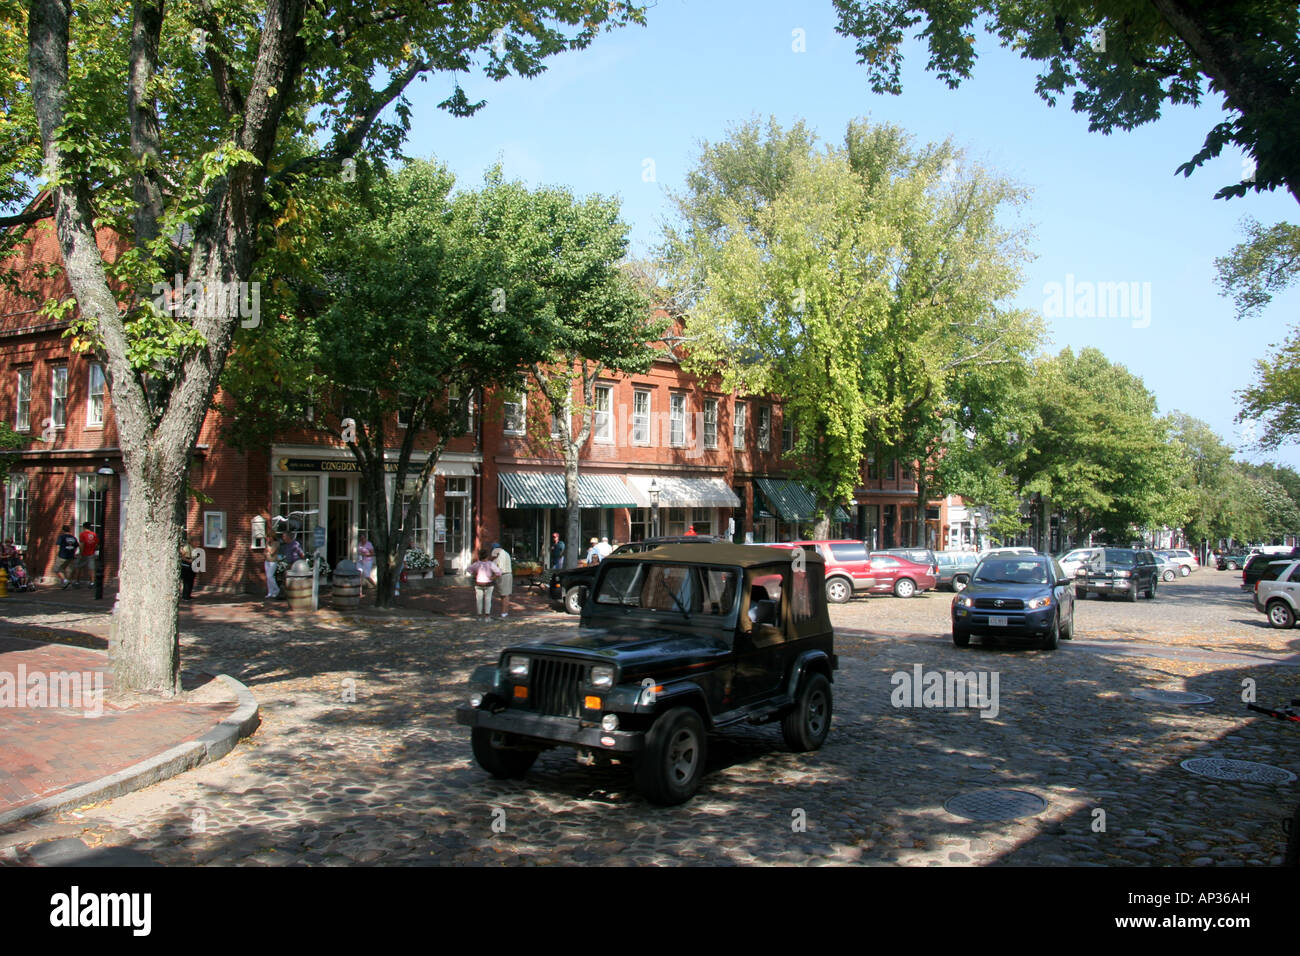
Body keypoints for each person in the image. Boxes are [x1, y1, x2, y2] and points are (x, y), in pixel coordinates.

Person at [467, 547, 501, 622]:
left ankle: (479, 616)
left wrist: (475, 574)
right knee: (488, 600)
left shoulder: (477, 564)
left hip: (479, 583)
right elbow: (498, 572)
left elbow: (469, 569)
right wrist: (493, 578)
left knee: (479, 600)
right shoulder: (490, 564)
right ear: (487, 556)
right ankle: (487, 616)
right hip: (488, 583)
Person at [492, 542, 514, 619]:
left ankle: (504, 613)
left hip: (504, 575)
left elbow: (500, 570)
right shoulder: (502, 554)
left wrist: (493, 578)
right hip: (504, 575)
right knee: (503, 595)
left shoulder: (502, 555)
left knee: (505, 595)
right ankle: (504, 612)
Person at [75, 522, 99, 588]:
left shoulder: (82, 534)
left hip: (84, 553)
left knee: (78, 567)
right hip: (92, 553)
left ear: (84, 527)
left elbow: (82, 544)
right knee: (92, 568)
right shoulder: (94, 534)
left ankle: (77, 582)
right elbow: (97, 545)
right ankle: (92, 582)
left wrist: (80, 553)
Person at [56, 524, 79, 589]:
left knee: (57, 569)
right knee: (68, 570)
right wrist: (73, 553)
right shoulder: (73, 538)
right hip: (71, 556)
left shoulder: (61, 537)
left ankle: (65, 581)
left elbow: (58, 547)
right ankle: (67, 584)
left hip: (62, 555)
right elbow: (76, 546)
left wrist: (57, 555)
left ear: (63, 530)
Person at [179, 536, 198, 600]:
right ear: (191, 541)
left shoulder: (193, 548)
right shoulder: (187, 547)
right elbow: (182, 556)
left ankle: (188, 595)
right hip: (187, 566)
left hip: (192, 565)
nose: (196, 543)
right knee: (187, 581)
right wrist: (188, 560)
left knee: (191, 581)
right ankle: (185, 596)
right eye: (195, 541)